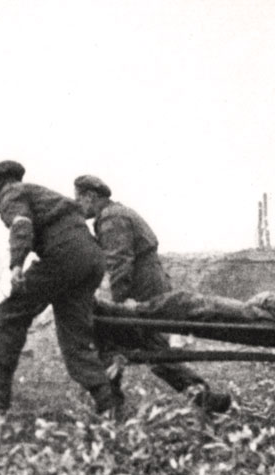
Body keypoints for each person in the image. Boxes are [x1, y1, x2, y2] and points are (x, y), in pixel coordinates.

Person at [0, 160, 125, 415]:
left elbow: (21, 225)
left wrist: (17, 263)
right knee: (74, 339)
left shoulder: (12, 193)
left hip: (65, 257)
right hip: (91, 260)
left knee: (10, 314)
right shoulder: (37, 193)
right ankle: (108, 402)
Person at [73, 174, 232, 413]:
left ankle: (111, 405)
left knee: (141, 348)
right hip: (147, 288)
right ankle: (203, 397)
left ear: (90, 196)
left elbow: (119, 262)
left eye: (78, 199)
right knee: (128, 346)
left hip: (142, 292)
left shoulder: (112, 218)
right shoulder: (114, 215)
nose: (77, 205)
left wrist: (118, 304)